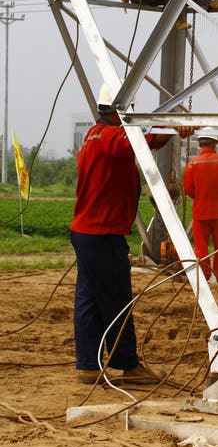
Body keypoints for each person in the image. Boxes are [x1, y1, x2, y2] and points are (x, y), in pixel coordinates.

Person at [70, 84, 195, 385]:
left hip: (85, 232)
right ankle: (128, 364)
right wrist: (171, 129)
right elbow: (142, 140)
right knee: (118, 300)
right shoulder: (114, 137)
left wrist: (167, 131)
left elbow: (142, 140)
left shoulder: (92, 135)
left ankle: (88, 364)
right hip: (102, 235)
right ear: (121, 109)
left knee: (88, 299)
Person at [182, 128, 218, 285]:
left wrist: (201, 195)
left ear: (200, 144)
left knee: (201, 247)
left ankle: (203, 277)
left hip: (201, 212)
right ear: (215, 143)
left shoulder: (192, 165)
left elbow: (188, 190)